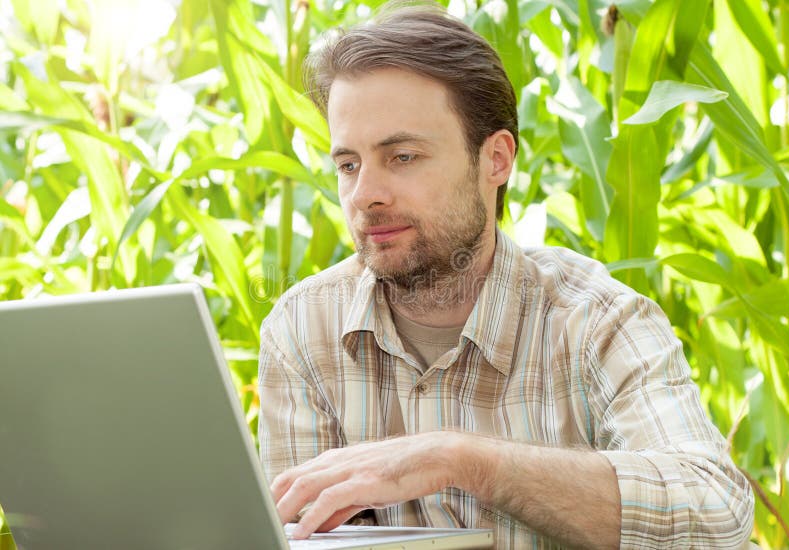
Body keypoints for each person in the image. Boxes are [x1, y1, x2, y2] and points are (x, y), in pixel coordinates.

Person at [257, 4, 754, 548]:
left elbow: (717, 516)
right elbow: (294, 536)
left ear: (496, 159)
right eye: (348, 164)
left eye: (402, 156)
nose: (364, 193)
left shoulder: (597, 321)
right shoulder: (302, 329)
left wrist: (463, 460)